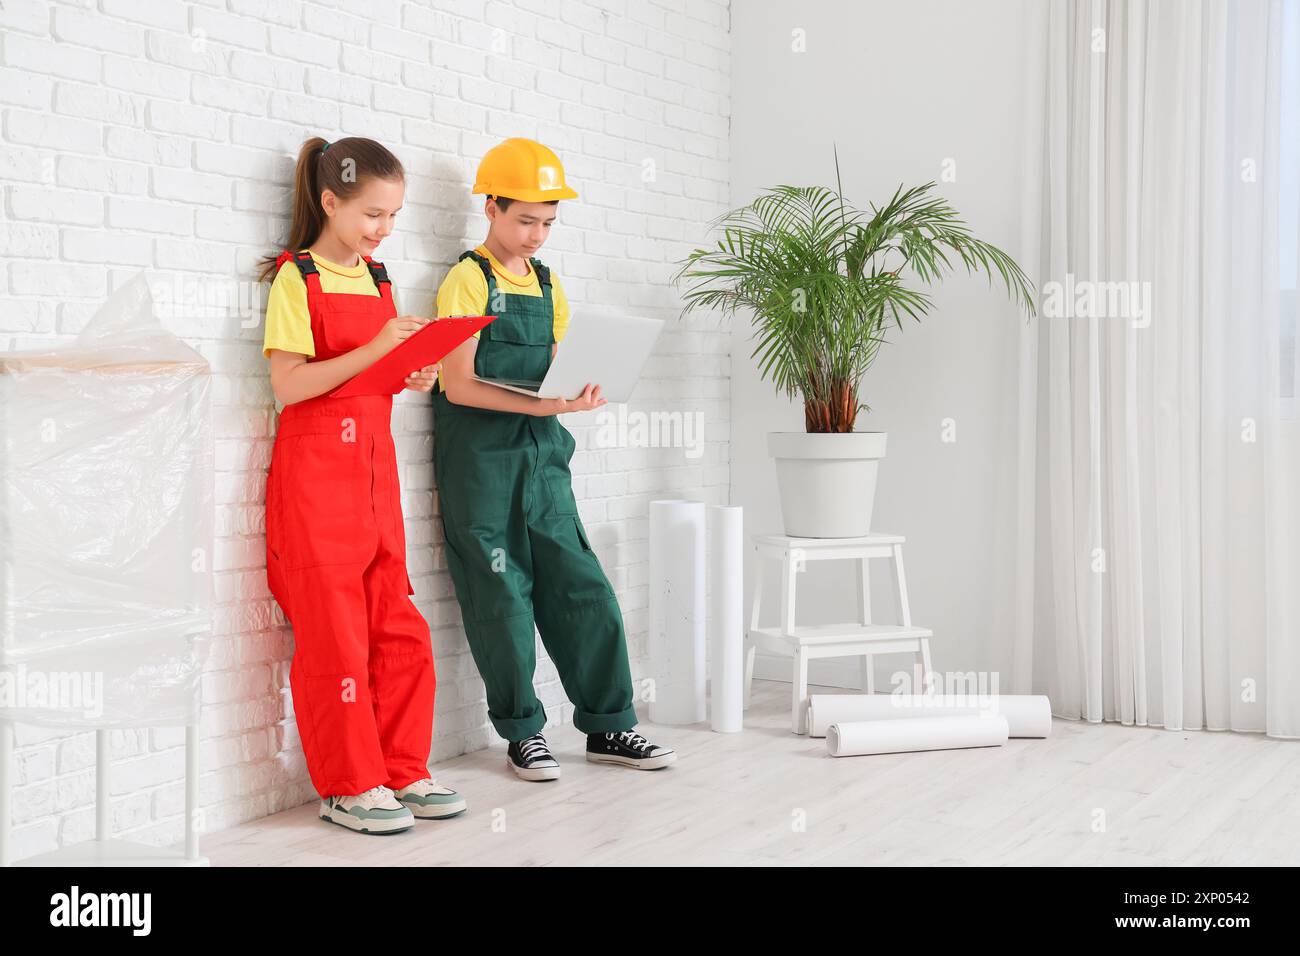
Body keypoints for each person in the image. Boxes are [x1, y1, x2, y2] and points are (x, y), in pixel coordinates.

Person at [432, 137, 676, 781]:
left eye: (547, 222)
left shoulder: (546, 283)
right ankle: (523, 734)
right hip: (481, 469)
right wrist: (541, 408)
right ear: (490, 208)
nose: (537, 235)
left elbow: (560, 367)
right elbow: (456, 384)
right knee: (503, 597)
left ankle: (610, 727)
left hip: (544, 464)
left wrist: (579, 392)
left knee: (584, 589)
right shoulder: (468, 278)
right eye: (524, 220)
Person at [259, 135, 463, 833]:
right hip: (314, 481)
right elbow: (290, 388)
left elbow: (372, 381)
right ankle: (349, 785)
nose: (383, 230)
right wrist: (377, 349)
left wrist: (413, 372)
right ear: (329, 201)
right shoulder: (299, 278)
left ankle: (403, 769)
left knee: (398, 627)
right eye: (373, 214)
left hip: (376, 475)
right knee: (336, 639)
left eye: (393, 217)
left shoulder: (379, 281)